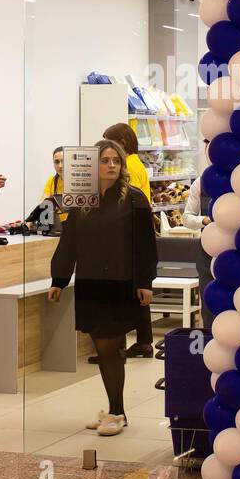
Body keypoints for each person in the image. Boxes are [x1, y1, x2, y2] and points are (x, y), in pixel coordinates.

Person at [48, 139, 157, 437]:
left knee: (110, 348)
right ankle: (114, 409)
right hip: (91, 282)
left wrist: (145, 282)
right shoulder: (83, 199)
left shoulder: (134, 199)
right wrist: (59, 279)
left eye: (116, 161)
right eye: (105, 160)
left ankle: (117, 412)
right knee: (104, 347)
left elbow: (146, 244)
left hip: (121, 284)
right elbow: (69, 241)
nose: (111, 166)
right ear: (93, 165)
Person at [103, 123, 154, 357]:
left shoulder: (129, 167)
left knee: (126, 294)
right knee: (138, 294)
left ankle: (120, 346)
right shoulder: (138, 163)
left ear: (121, 143)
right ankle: (143, 341)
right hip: (135, 233)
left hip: (126, 237)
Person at [181, 173, 216, 328]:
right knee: (209, 308)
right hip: (208, 255)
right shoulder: (202, 182)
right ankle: (211, 344)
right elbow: (187, 218)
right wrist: (205, 220)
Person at [41, 146, 69, 222]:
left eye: (63, 161)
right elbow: (43, 204)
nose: (60, 166)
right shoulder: (52, 180)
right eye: (56, 162)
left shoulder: (79, 181)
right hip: (57, 225)